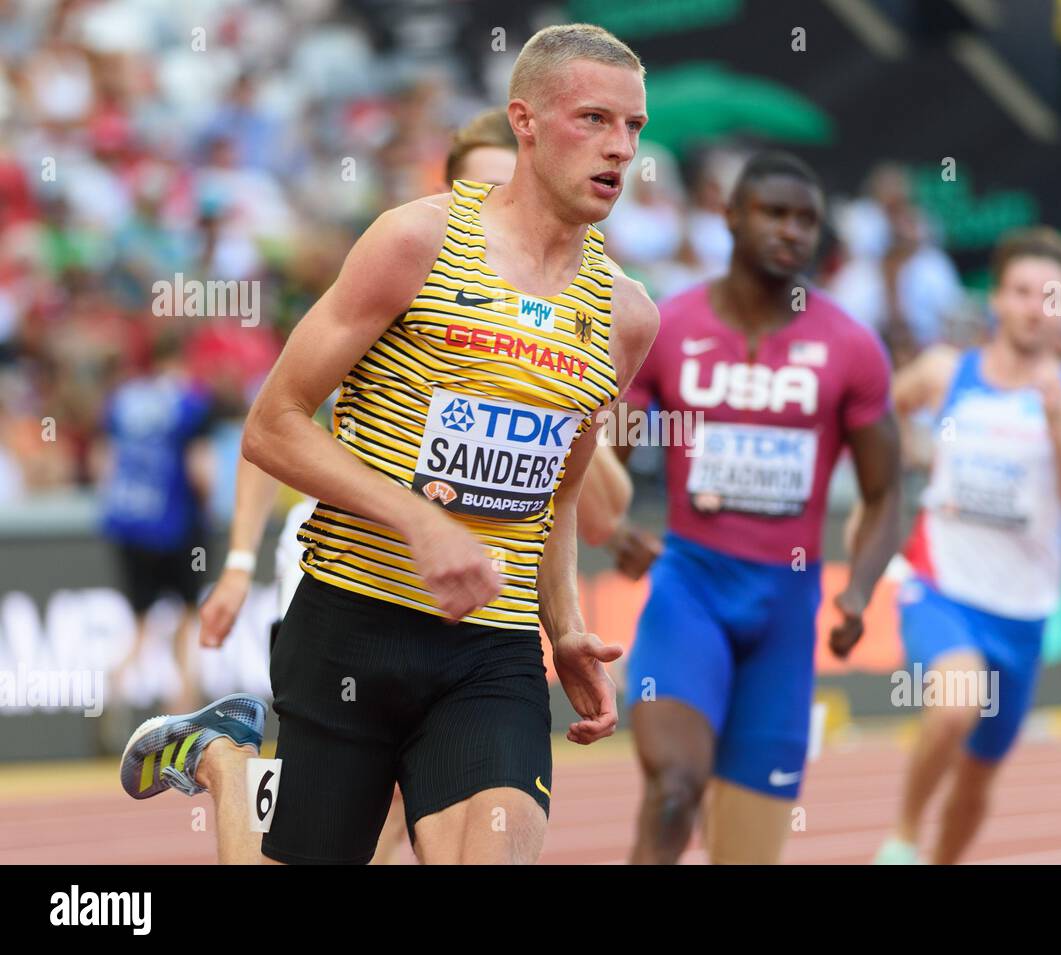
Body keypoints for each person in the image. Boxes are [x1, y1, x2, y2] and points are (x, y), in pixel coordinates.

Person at [119, 22, 658, 866]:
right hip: (352, 624)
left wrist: (567, 624)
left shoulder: (627, 316)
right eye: (594, 120)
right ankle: (225, 760)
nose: (620, 149)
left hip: (493, 647)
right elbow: (273, 425)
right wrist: (420, 521)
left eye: (634, 128)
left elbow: (556, 496)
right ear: (523, 119)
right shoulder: (416, 241)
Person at [613, 151, 901, 864]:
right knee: (674, 789)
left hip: (785, 615)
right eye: (775, 212)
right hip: (691, 593)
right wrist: (611, 525)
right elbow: (600, 452)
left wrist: (860, 588)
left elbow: (886, 490)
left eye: (807, 219)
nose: (792, 231)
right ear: (731, 217)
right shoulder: (668, 327)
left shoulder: (850, 346)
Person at [873, 227, 1061, 864]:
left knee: (979, 776)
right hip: (942, 585)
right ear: (997, 300)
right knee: (955, 703)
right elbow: (874, 415)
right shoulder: (947, 372)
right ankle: (900, 838)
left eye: (1050, 295)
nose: (1036, 306)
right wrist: (894, 478)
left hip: (1023, 612)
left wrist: (1058, 423)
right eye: (1022, 291)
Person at [100, 331, 215, 714]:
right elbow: (200, 472)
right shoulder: (188, 403)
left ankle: (113, 687)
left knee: (140, 622)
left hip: (131, 524)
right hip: (176, 526)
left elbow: (107, 463)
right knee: (185, 618)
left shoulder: (125, 399)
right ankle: (184, 704)